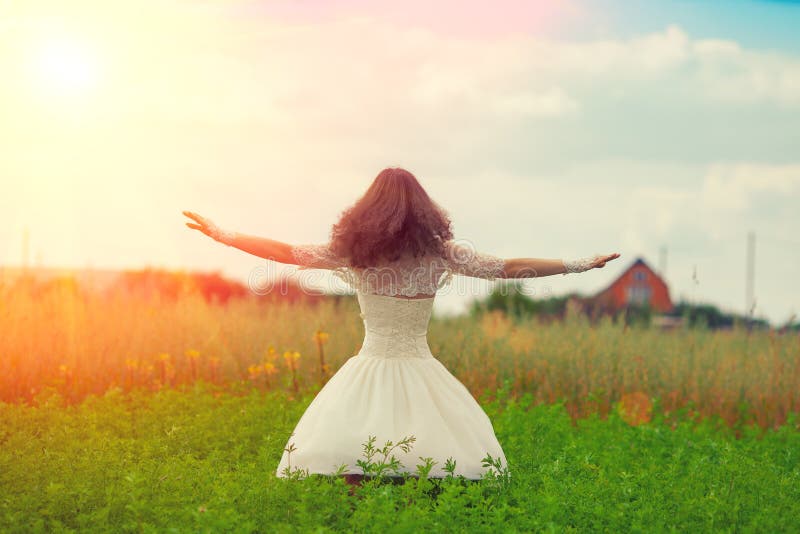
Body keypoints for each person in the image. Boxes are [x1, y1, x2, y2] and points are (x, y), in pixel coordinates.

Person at [183, 167, 619, 487]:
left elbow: (284, 252)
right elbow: (510, 267)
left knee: (355, 462)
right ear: (424, 211)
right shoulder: (443, 254)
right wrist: (578, 264)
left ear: (368, 210)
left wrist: (224, 235)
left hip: (368, 370)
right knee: (426, 465)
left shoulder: (352, 252)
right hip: (421, 370)